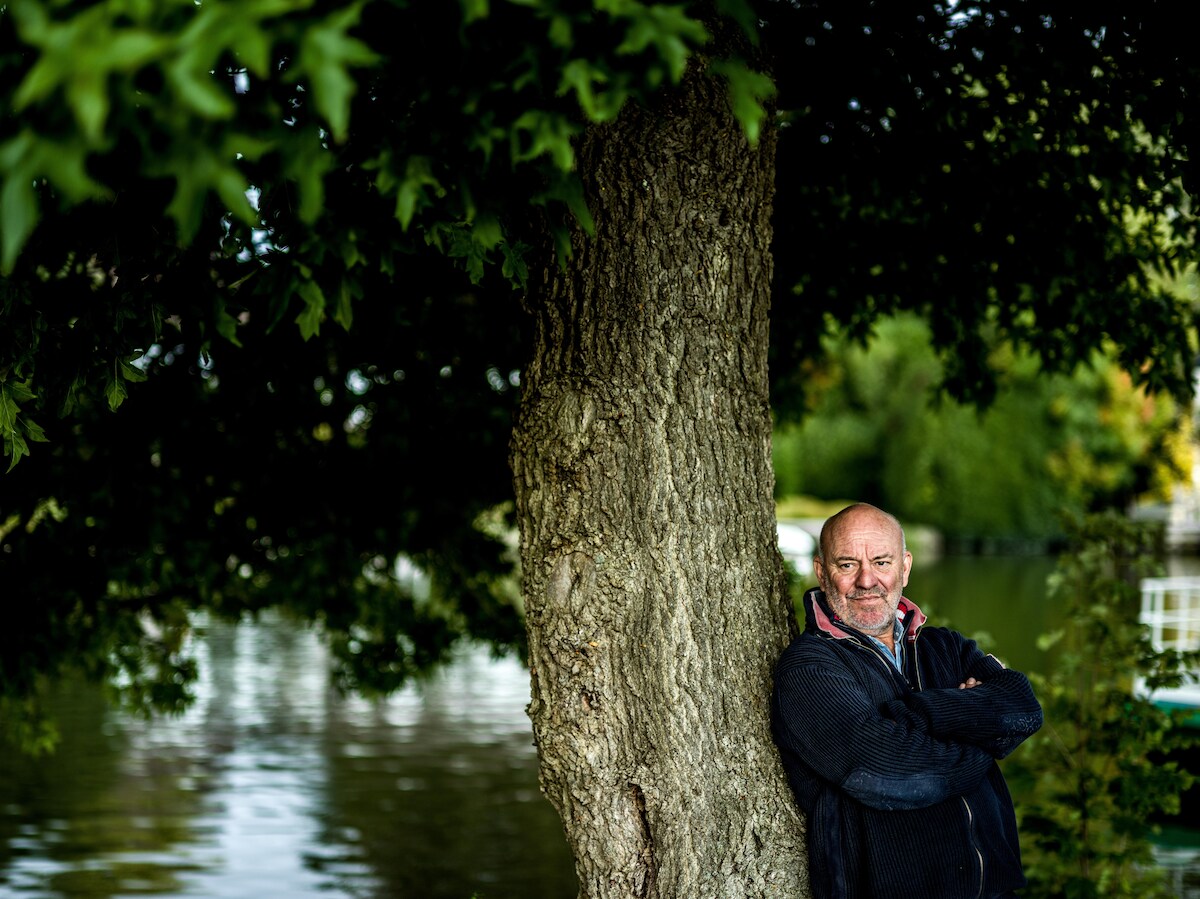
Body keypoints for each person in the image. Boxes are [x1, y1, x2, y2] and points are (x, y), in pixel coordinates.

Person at [771, 503, 1042, 899]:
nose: (867, 580)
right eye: (847, 565)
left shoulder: (944, 645)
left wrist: (916, 712)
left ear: (905, 567)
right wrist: (981, 739)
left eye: (881, 562)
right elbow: (887, 773)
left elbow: (1022, 709)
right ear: (821, 572)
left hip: (994, 889)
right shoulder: (809, 667)